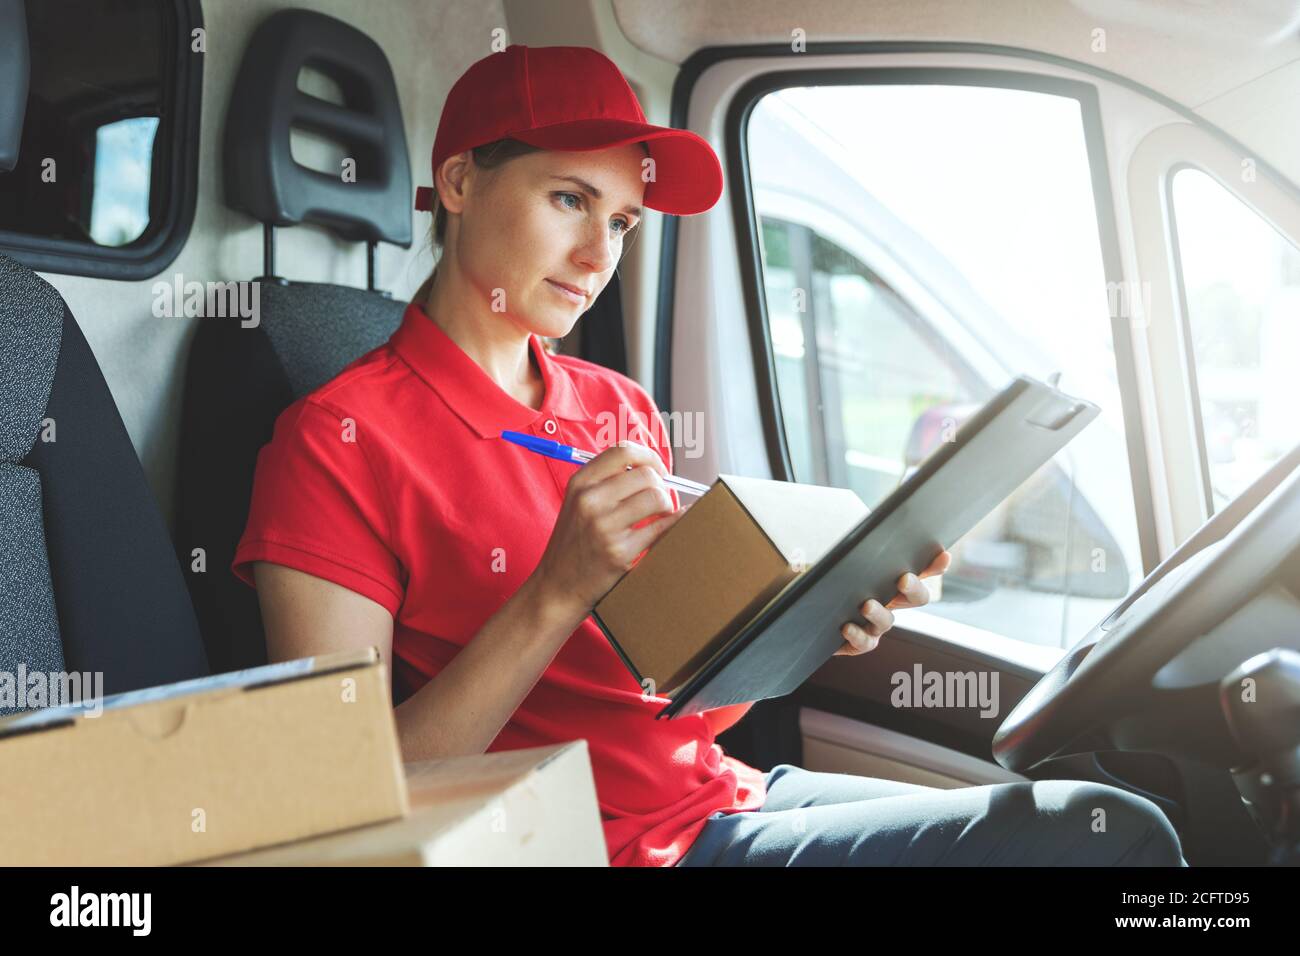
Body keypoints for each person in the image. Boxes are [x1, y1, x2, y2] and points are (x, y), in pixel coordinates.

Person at [232, 44, 1186, 867]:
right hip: (599, 846)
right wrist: (555, 593)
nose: (598, 253)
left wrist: (814, 625)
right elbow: (343, 804)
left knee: (1091, 814)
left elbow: (678, 699)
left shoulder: (618, 406)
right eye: (570, 198)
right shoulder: (336, 442)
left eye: (620, 223)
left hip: (725, 796)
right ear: (460, 182)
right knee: (1108, 837)